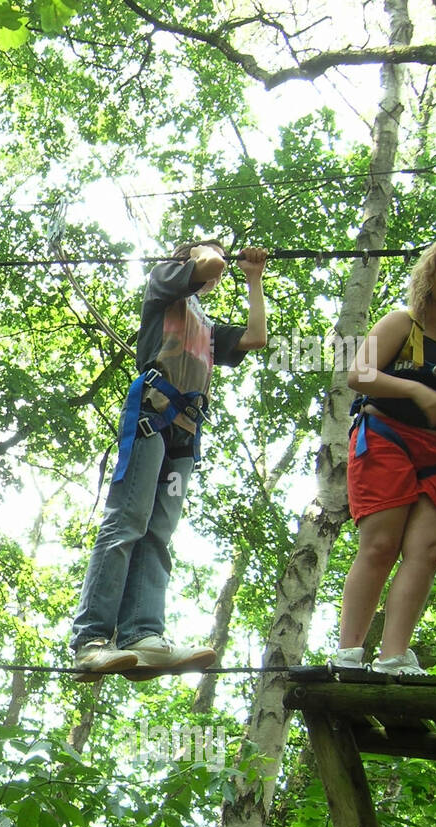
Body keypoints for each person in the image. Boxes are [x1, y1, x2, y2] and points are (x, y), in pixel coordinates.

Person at [70, 240, 268, 679]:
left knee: (158, 532)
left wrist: (253, 278)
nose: (214, 268)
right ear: (186, 259)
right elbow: (210, 262)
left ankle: (143, 632)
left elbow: (256, 337)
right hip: (150, 418)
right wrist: (212, 254)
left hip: (183, 437)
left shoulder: (207, 326)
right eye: (203, 257)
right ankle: (91, 639)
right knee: (127, 522)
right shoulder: (165, 285)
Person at [333, 237, 436, 675]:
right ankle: (349, 654)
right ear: (430, 276)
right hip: (387, 439)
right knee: (381, 543)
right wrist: (417, 389)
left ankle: (394, 657)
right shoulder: (403, 322)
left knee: (428, 549)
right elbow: (359, 374)